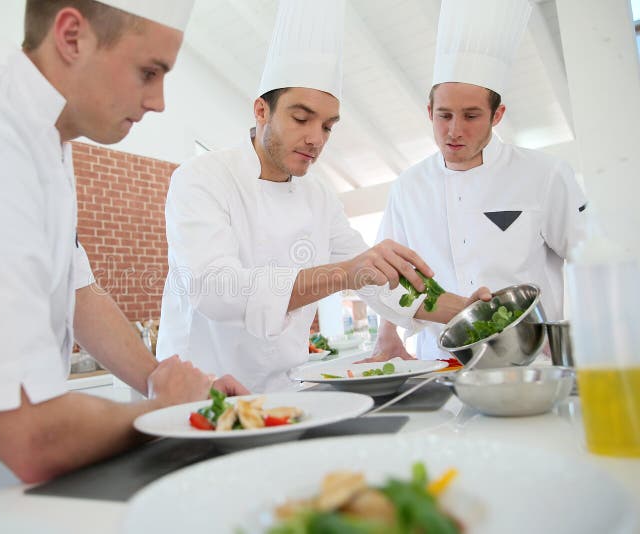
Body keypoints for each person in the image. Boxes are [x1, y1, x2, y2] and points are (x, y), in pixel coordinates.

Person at [0, 0, 246, 521]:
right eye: (149, 72)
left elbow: (79, 292)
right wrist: (168, 410)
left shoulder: (46, 137)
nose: (160, 101)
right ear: (72, 36)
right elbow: (32, 438)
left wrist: (160, 378)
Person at [156, 0, 490, 393]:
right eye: (301, 118)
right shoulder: (201, 178)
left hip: (287, 394)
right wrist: (344, 272)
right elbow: (217, 291)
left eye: (328, 126)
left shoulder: (318, 196)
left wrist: (470, 310)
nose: (316, 138)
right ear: (261, 110)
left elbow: (376, 280)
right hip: (202, 395)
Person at [369, 0, 587, 362]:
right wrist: (386, 336)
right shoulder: (408, 187)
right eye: (444, 115)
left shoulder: (545, 174)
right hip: (440, 365)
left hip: (532, 360)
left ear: (497, 115)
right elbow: (390, 275)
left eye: (471, 116)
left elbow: (589, 260)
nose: (454, 131)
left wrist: (578, 337)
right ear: (429, 112)